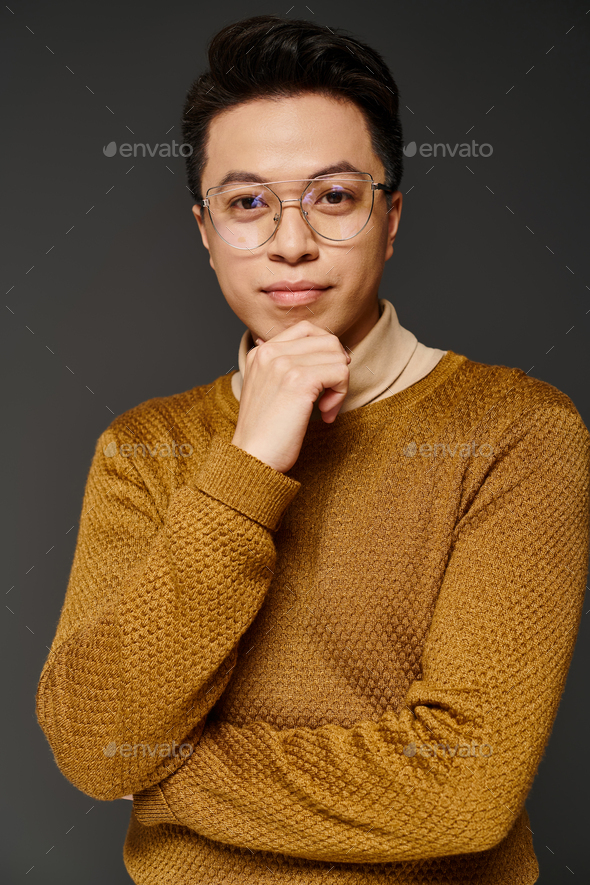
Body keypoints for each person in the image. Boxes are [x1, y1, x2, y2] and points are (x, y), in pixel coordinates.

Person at [36, 13, 590, 885]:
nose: (291, 243)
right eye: (247, 203)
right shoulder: (144, 447)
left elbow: (461, 789)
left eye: (334, 197)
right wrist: (247, 467)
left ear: (391, 216)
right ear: (204, 231)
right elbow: (96, 740)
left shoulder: (516, 430)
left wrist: (164, 775)